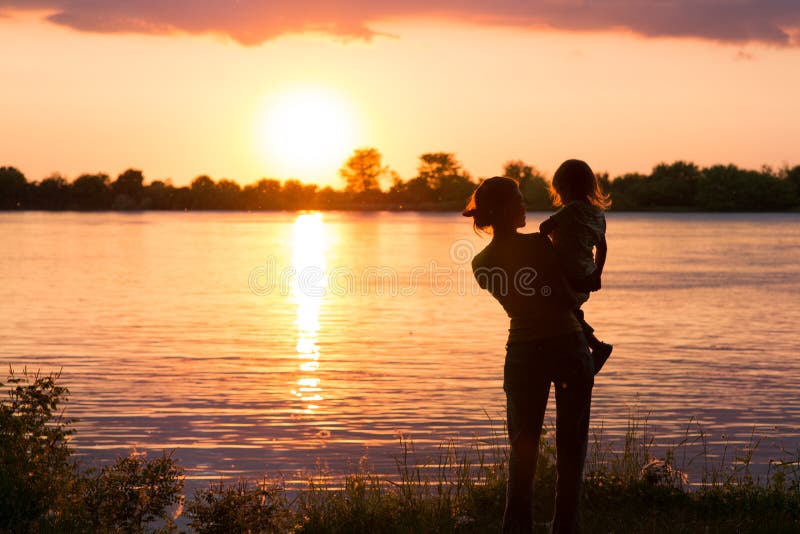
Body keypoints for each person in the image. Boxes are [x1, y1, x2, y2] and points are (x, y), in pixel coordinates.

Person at [463, 176, 593, 534]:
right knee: (572, 448)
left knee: (522, 449)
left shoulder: (481, 262)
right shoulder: (538, 244)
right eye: (518, 199)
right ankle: (565, 528)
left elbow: (525, 303)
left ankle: (517, 528)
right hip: (567, 348)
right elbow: (563, 297)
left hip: (523, 355)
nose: (524, 205)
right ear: (503, 209)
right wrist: (588, 283)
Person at [539, 159, 613, 375]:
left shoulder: (570, 210)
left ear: (568, 187)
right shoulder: (598, 214)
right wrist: (597, 274)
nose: (560, 197)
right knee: (571, 312)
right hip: (587, 276)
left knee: (556, 307)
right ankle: (595, 347)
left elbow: (543, 228)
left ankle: (596, 347)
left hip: (568, 275)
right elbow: (602, 247)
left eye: (560, 191)